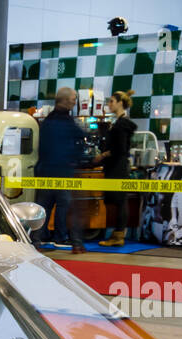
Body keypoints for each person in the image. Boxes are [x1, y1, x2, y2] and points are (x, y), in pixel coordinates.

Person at [34, 86, 87, 253]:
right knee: (66, 206)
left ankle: (36, 240)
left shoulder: (47, 121)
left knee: (44, 207)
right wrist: (79, 158)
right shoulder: (66, 122)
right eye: (73, 99)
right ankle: (62, 238)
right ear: (64, 101)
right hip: (62, 172)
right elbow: (81, 137)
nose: (74, 102)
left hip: (44, 171)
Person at [96, 90, 137, 246]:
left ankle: (118, 236)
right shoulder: (119, 123)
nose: (109, 104)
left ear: (120, 103)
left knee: (120, 201)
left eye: (112, 101)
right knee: (119, 201)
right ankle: (117, 235)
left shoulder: (121, 125)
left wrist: (103, 155)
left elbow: (121, 149)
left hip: (117, 167)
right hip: (117, 166)